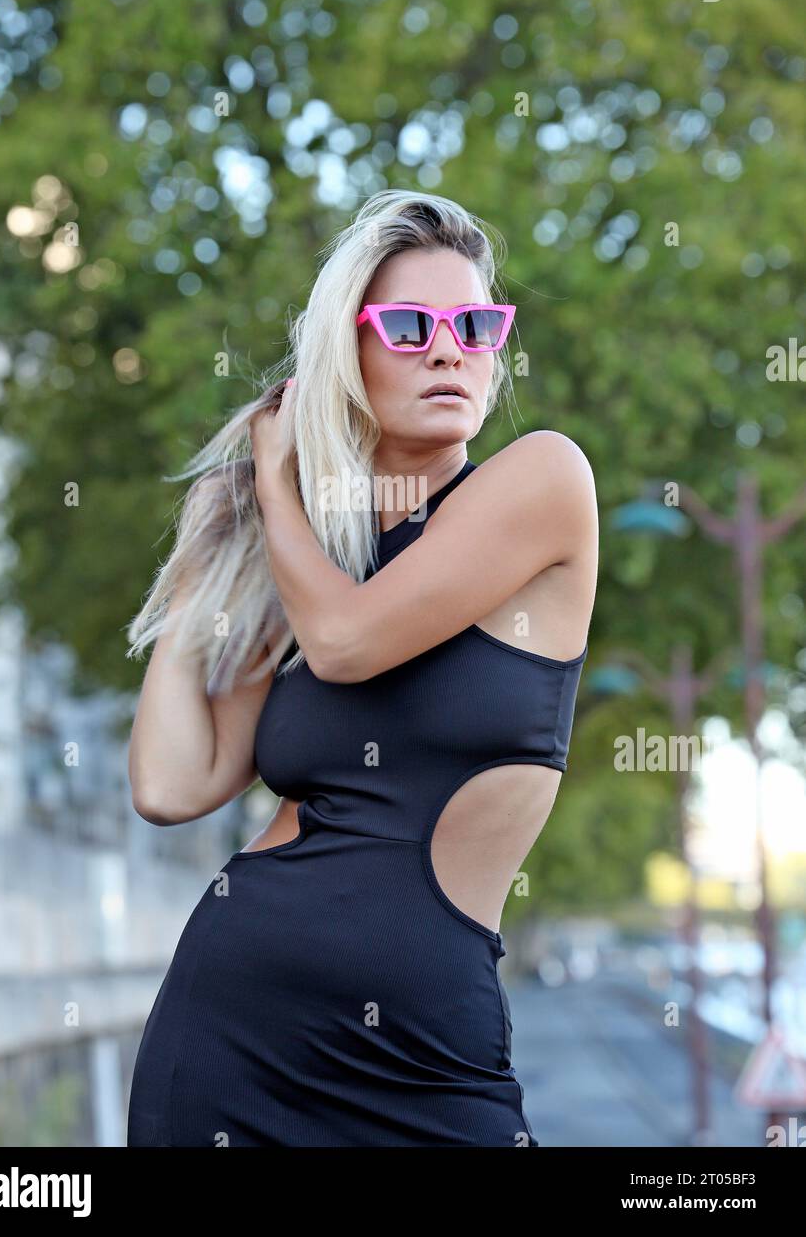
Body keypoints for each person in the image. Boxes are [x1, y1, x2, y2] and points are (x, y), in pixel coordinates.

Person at [125, 189, 598, 1147]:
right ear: (350, 350)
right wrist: (209, 561)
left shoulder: (546, 478)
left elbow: (347, 644)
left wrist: (272, 484)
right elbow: (176, 785)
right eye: (411, 324)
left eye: (476, 323)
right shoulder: (314, 561)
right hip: (233, 1040)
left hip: (427, 1057)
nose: (449, 348)